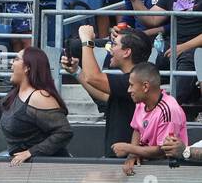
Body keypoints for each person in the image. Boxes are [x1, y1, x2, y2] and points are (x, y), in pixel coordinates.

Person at [65, 24, 154, 158]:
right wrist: (77, 72)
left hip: (128, 161)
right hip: (118, 158)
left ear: (127, 52)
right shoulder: (130, 80)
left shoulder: (135, 81)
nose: (110, 49)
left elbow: (93, 77)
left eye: (114, 45)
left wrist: (87, 41)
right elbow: (103, 94)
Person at [111, 63, 187, 177]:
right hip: (148, 167)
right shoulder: (141, 103)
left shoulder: (169, 110)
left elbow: (162, 151)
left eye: (131, 85)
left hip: (169, 172)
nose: (128, 90)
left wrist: (129, 148)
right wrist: (132, 155)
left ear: (145, 87)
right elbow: (137, 129)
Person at [1, 48, 74, 164]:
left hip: (48, 170)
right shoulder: (14, 94)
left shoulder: (39, 96)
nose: (11, 63)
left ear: (27, 68)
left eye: (16, 59)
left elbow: (64, 132)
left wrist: (31, 152)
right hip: (27, 168)